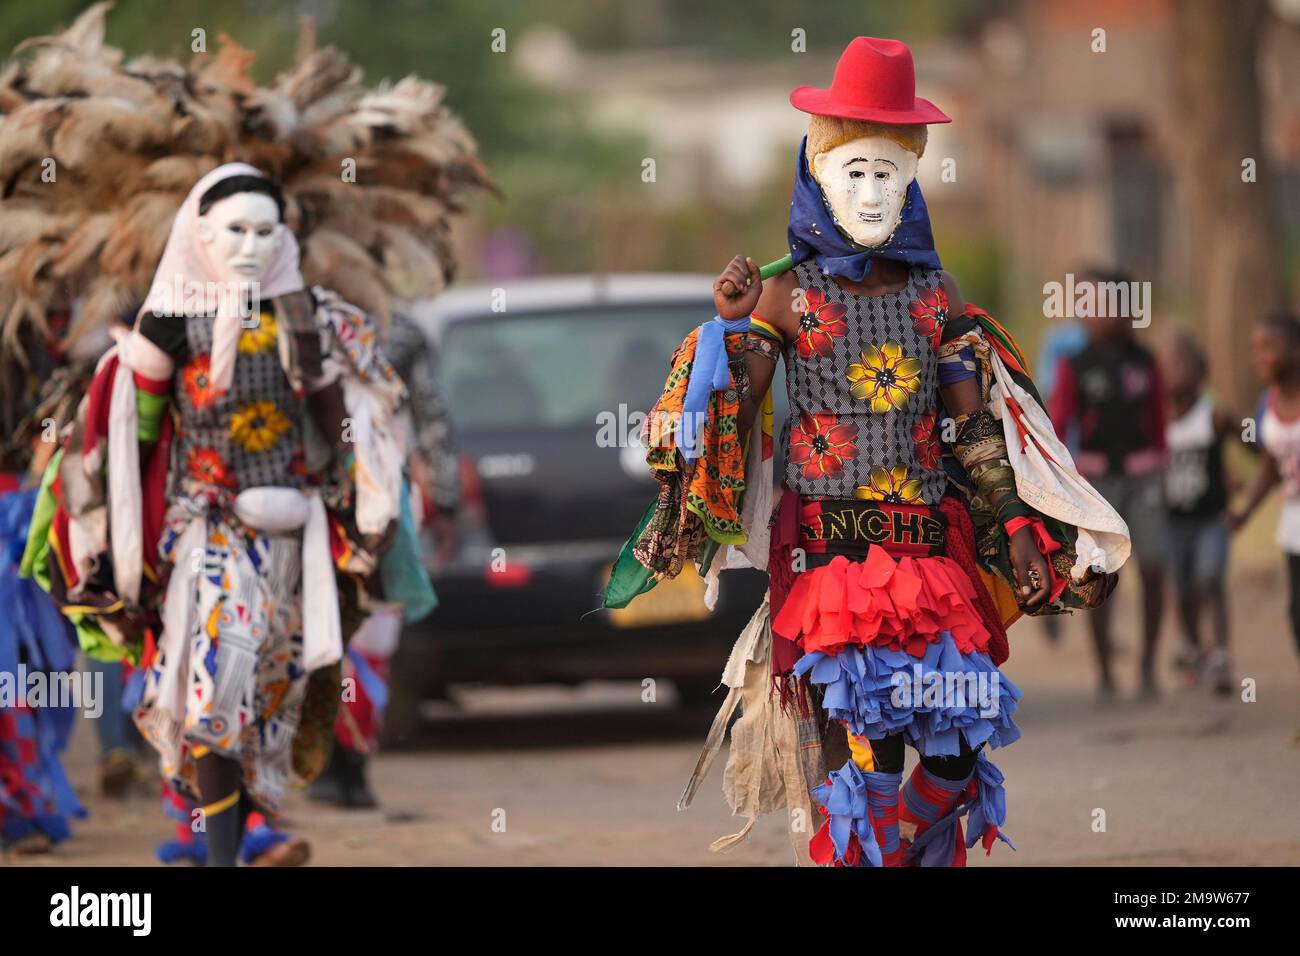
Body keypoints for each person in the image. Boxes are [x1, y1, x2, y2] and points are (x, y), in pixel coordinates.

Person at [604, 37, 1126, 867]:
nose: (874, 190)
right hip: (832, 565)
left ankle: (893, 853)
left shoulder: (938, 294)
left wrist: (1022, 533)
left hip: (930, 559)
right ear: (818, 172)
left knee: (956, 747)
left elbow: (974, 428)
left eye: (890, 173)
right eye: (856, 172)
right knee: (872, 754)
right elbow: (739, 411)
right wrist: (734, 328)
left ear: (913, 176)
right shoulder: (786, 292)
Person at [24, 164, 417, 866]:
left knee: (275, 691)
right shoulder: (170, 325)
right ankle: (227, 849)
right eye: (234, 231)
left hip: (295, 541)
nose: (250, 247)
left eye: (266, 232)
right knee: (217, 683)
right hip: (209, 538)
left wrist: (366, 508)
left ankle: (232, 837)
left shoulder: (309, 322)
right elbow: (124, 447)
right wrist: (112, 545)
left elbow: (341, 426)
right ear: (200, 234)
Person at [1049, 267, 1167, 699]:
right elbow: (1060, 425)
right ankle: (1104, 673)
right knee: (1100, 575)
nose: (1097, 314)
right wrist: (1063, 486)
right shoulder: (1075, 366)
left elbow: (1158, 422)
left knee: (1153, 569)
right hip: (1097, 484)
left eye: (1106, 305)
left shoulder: (1146, 362)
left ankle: (1148, 667)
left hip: (1144, 478)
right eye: (1089, 306)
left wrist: (1161, 466)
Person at [1162, 332, 1235, 693]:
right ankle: (1193, 648)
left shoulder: (1213, 415)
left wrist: (1237, 479)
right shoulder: (1156, 419)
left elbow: (1255, 444)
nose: (1169, 369)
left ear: (1200, 372)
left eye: (1179, 362)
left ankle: (1220, 653)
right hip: (1172, 521)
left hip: (1210, 518)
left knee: (1210, 580)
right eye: (1166, 362)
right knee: (1182, 588)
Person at [1229, 312, 1300, 670]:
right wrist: (1243, 514)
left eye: (1269, 348)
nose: (1260, 357)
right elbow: (1270, 469)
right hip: (1294, 525)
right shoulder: (1266, 406)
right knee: (1297, 615)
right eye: (1256, 349)